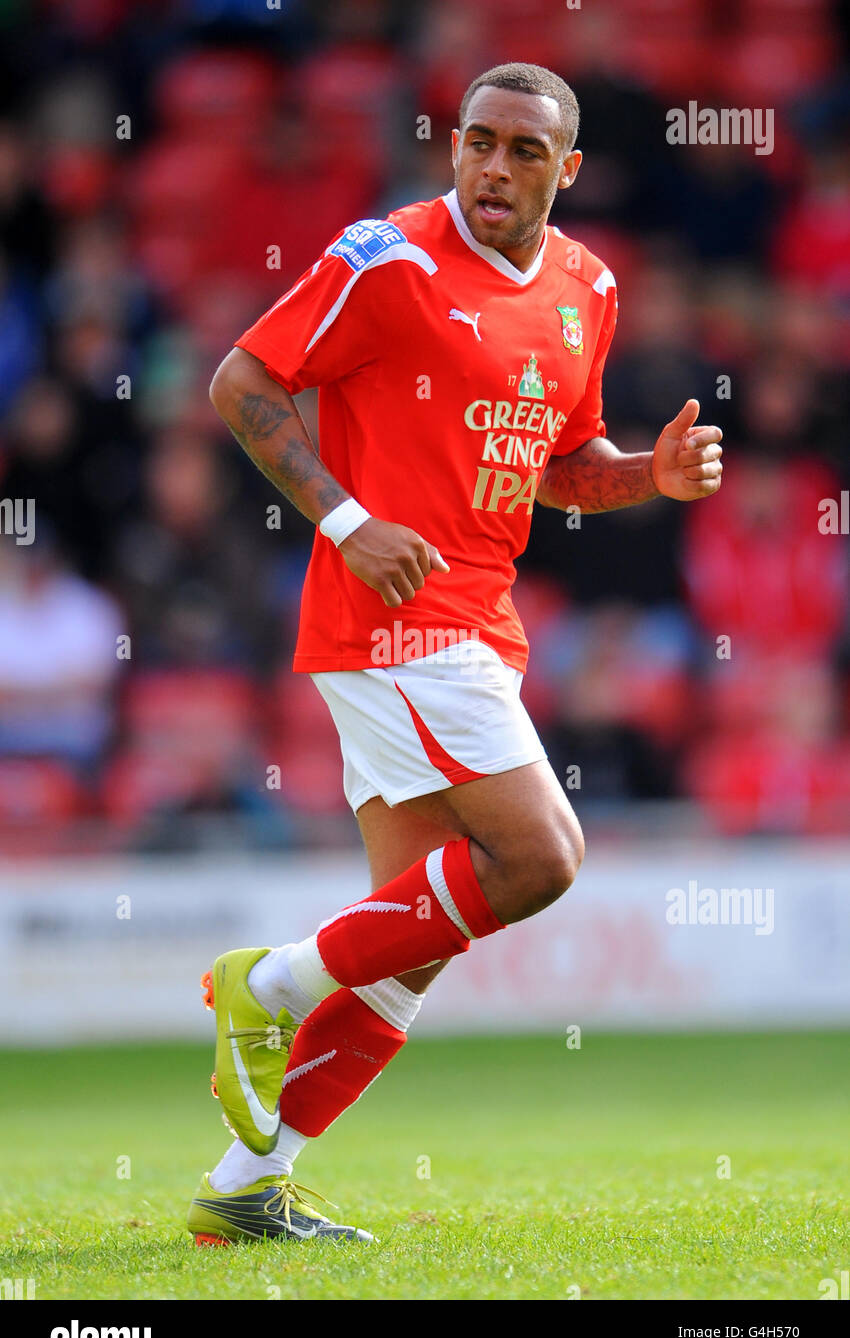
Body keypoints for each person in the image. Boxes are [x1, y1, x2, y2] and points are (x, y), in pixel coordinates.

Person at [187, 62, 723, 1245]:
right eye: (477, 141)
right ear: (453, 146)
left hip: (479, 618)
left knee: (410, 945)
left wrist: (651, 477)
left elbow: (561, 459)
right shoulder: (390, 258)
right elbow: (243, 379)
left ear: (565, 171)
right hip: (390, 616)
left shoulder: (588, 285)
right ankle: (264, 985)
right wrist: (345, 519)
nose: (493, 166)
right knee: (540, 856)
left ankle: (242, 1184)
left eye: (524, 151)